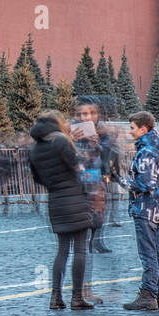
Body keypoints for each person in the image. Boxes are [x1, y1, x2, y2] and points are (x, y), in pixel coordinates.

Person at [28, 111, 94, 310]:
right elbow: (78, 168)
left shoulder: (34, 148)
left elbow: (37, 178)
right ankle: (77, 297)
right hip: (75, 196)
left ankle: (55, 297)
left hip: (55, 200)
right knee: (80, 249)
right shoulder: (61, 141)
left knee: (62, 251)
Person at [118, 111, 159, 311]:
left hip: (145, 208)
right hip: (157, 208)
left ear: (143, 128)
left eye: (132, 127)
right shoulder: (157, 149)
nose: (129, 131)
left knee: (148, 255)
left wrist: (121, 180)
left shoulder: (146, 151)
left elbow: (144, 183)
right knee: (157, 253)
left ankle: (148, 295)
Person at [72, 97, 109, 254]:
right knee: (82, 214)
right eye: (82, 114)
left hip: (96, 178)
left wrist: (96, 145)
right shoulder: (71, 131)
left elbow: (109, 155)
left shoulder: (103, 132)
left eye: (89, 114)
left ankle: (97, 241)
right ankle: (84, 243)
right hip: (78, 179)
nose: (85, 118)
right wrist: (72, 141)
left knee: (98, 214)